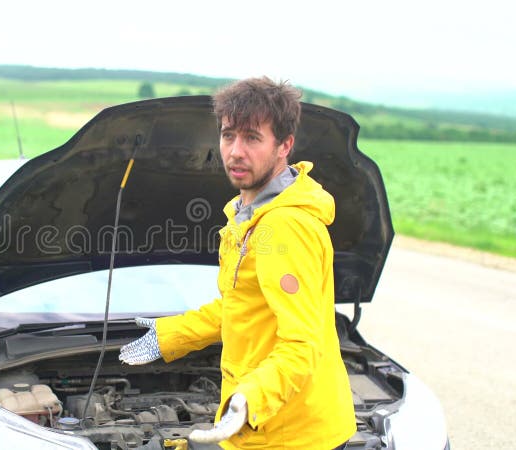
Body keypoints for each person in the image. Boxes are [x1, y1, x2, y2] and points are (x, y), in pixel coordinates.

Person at [119, 77, 356, 449]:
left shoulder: (284, 227)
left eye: (252, 138)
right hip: (265, 427)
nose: (235, 151)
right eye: (228, 136)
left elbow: (303, 342)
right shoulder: (248, 215)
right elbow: (241, 307)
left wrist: (249, 399)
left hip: (292, 436)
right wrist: (171, 335)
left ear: (285, 145)